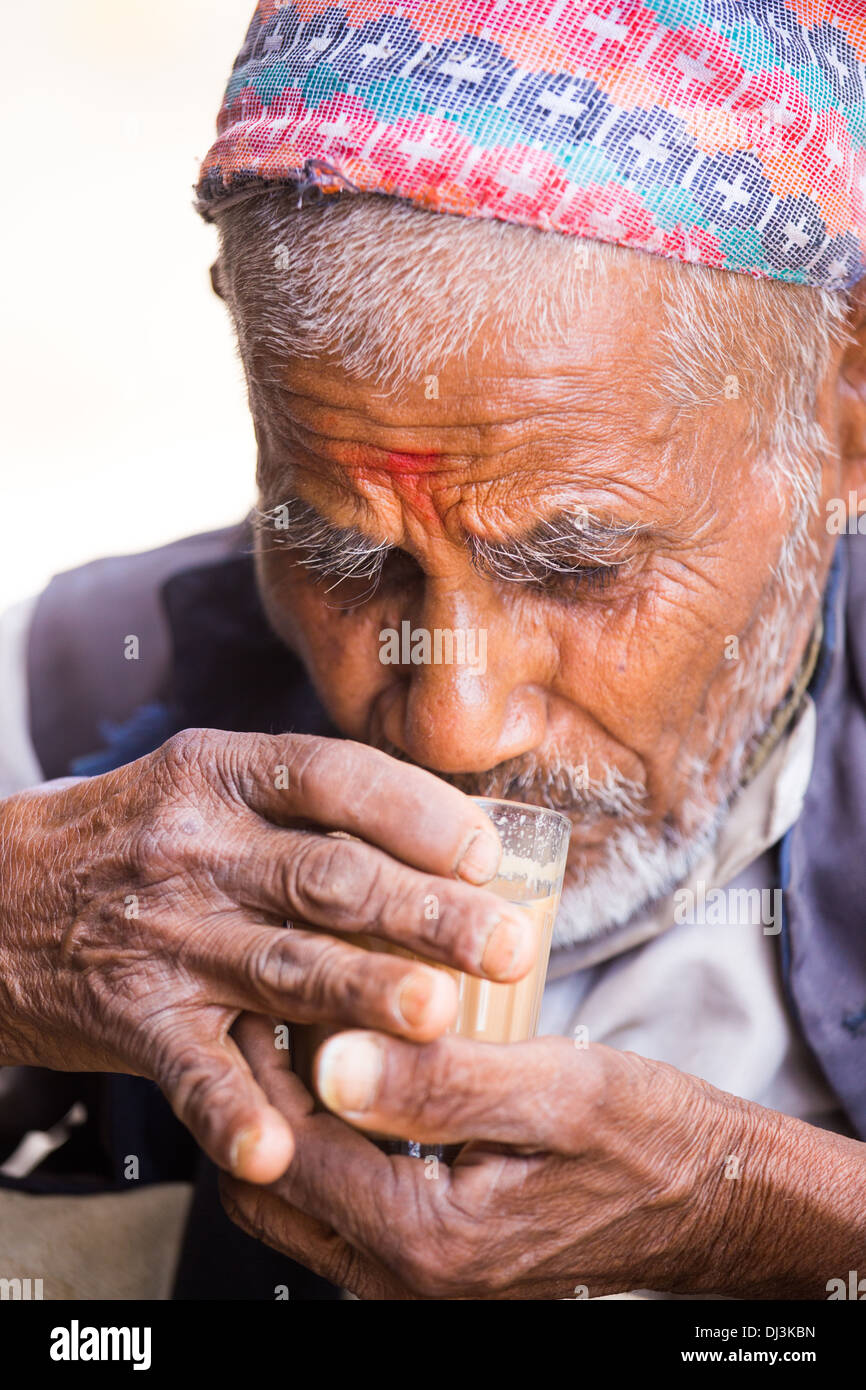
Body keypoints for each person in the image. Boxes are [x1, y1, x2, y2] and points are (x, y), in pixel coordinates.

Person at [1, 0, 865, 1299]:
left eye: (576, 563)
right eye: (343, 557)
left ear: (842, 420)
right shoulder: (69, 700)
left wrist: (781, 1208)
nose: (452, 721)